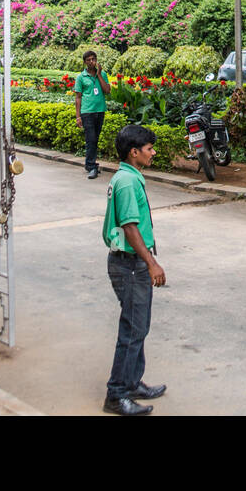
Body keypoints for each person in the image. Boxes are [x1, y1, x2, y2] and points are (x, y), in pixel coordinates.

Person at [102, 123, 167, 416]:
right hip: (129, 265)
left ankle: (132, 382)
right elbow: (129, 227)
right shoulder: (127, 182)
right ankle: (117, 395)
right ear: (134, 152)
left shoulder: (129, 176)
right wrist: (151, 263)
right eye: (149, 149)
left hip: (132, 263)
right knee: (132, 328)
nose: (153, 153)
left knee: (138, 325)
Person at [75, 50, 111, 179]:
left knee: (95, 138)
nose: (91, 62)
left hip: (100, 111)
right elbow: (78, 97)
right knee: (91, 139)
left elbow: (107, 90)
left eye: (93, 59)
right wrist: (78, 116)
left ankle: (90, 164)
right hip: (87, 112)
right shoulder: (81, 77)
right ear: (85, 62)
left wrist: (100, 75)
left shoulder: (103, 74)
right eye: (89, 60)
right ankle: (91, 166)